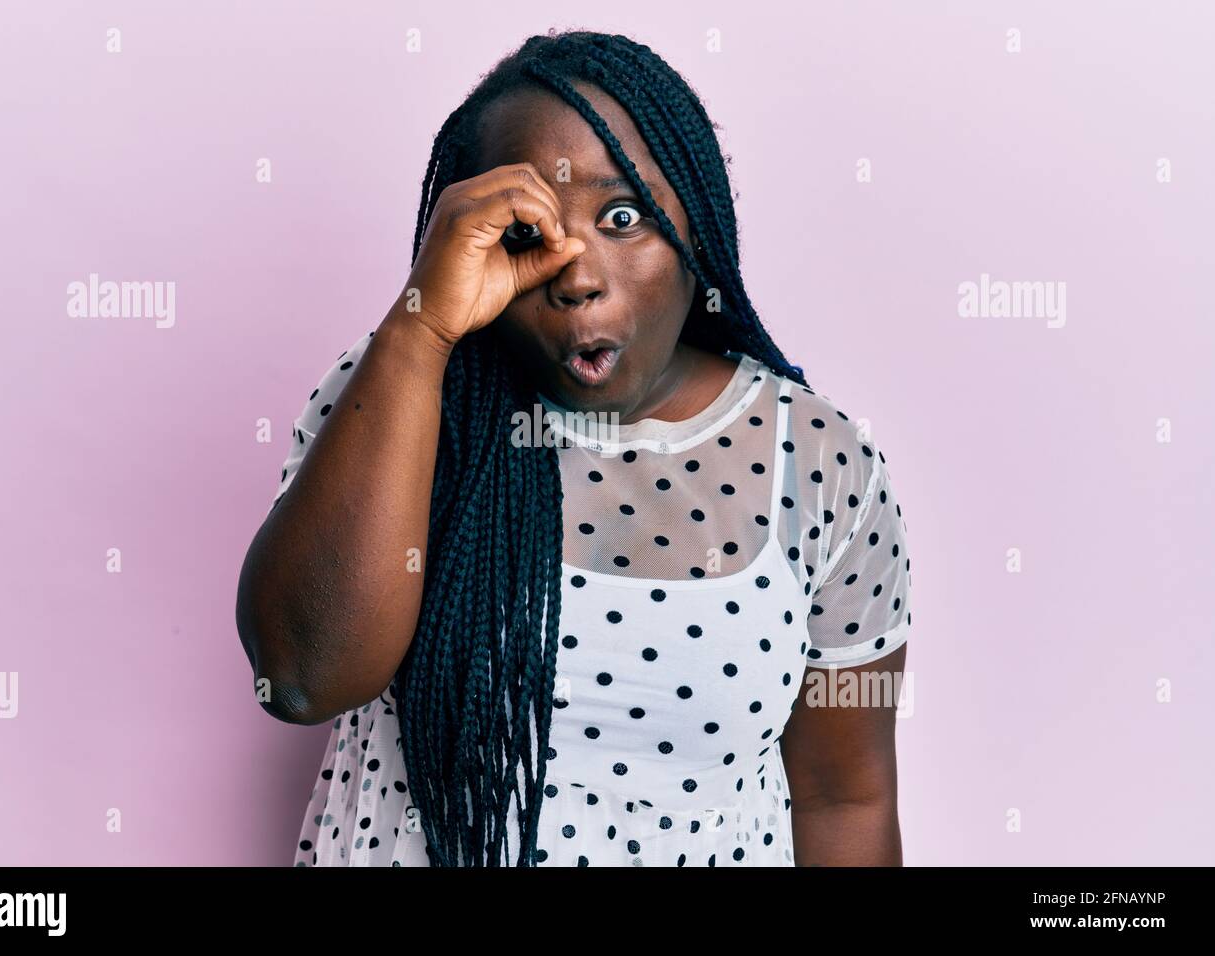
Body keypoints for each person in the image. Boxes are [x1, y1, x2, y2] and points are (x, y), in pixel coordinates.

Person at [235, 29, 912, 867]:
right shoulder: (397, 395)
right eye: (527, 234)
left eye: (623, 217)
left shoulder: (818, 460)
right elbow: (302, 678)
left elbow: (845, 796)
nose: (578, 273)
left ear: (695, 229)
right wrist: (421, 328)